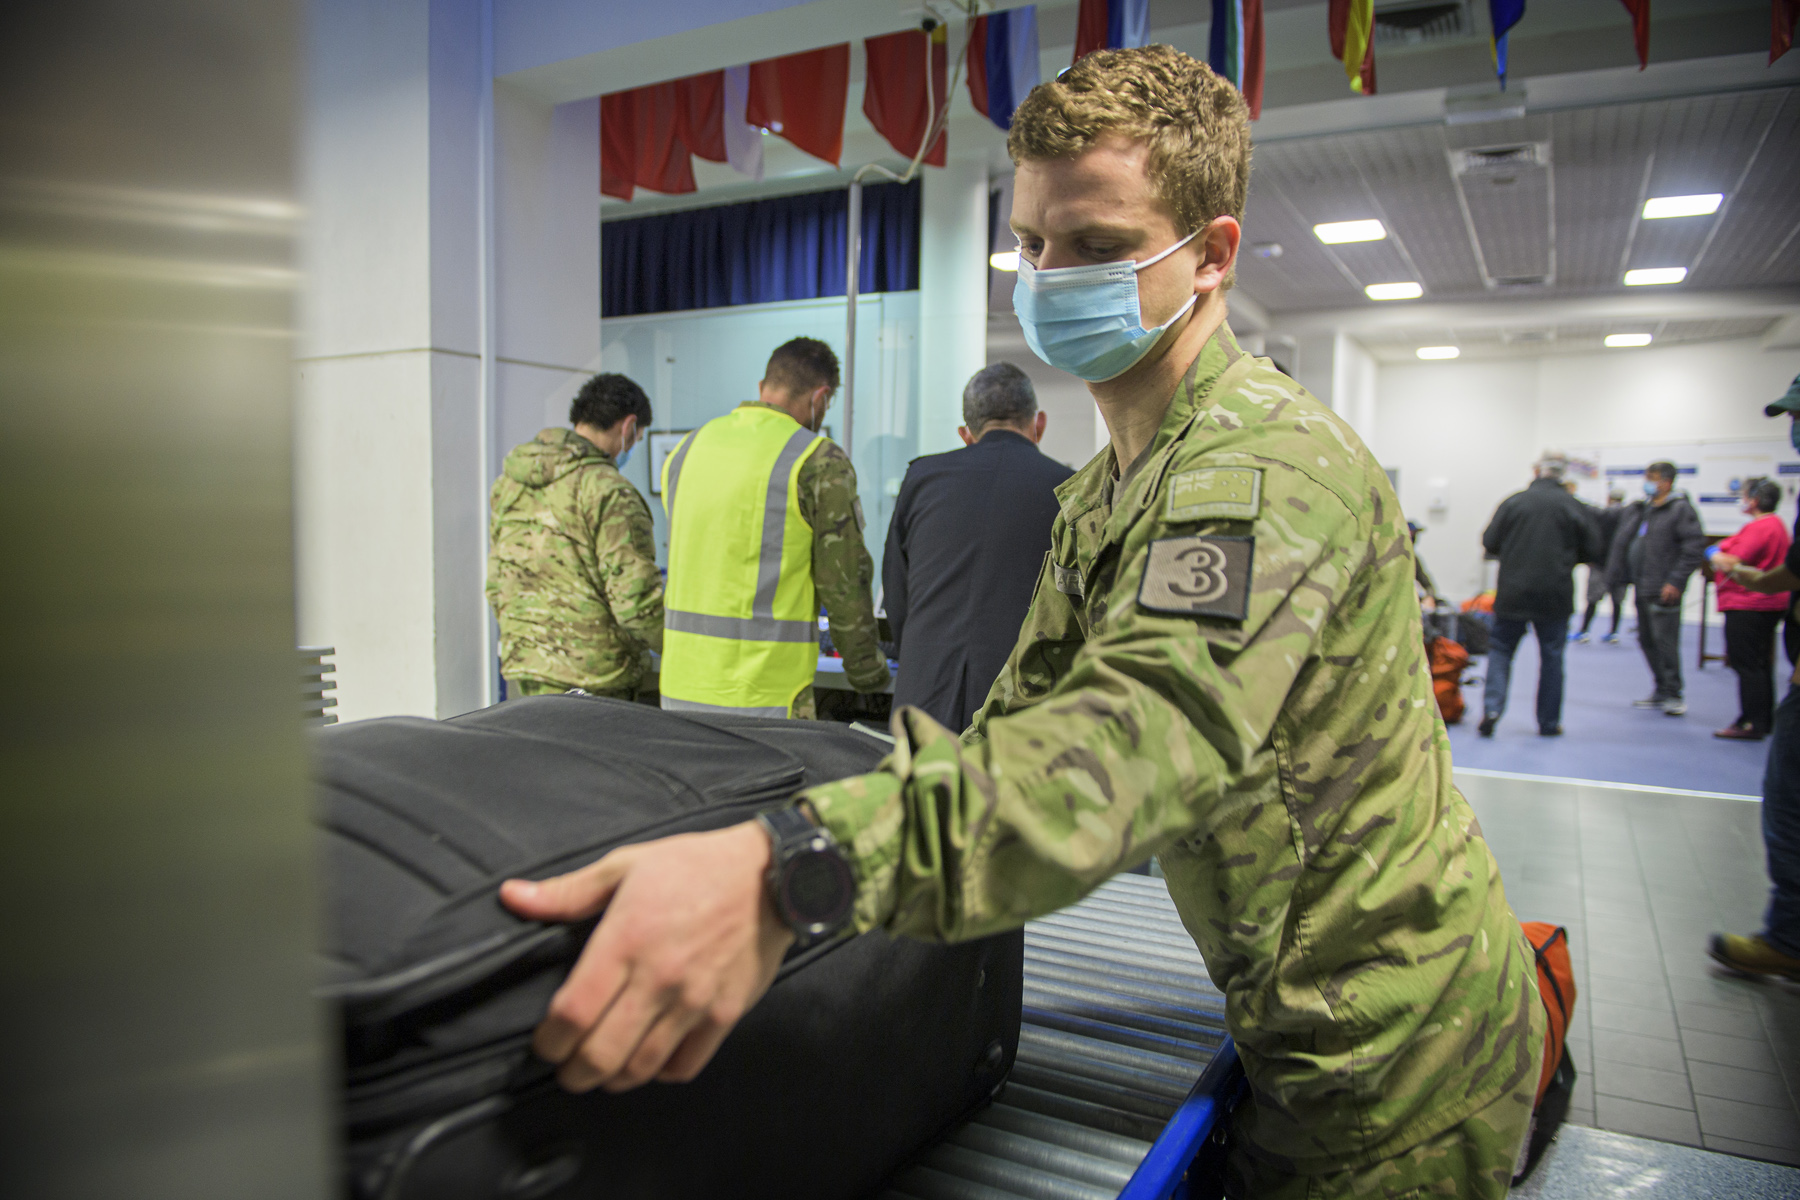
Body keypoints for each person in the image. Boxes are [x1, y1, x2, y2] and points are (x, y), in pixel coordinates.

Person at [500, 47, 1542, 1200]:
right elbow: (1013, 737)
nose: (1048, 277)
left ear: (1211, 255)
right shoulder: (1104, 489)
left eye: (1096, 246)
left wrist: (788, 873)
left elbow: (1132, 743)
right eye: (1033, 246)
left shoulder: (1260, 469)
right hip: (1283, 1008)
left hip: (1393, 1062)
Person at [657, 337, 889, 719]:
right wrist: (868, 673)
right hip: (765, 698)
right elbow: (844, 581)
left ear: (763, 387)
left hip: (681, 691)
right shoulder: (816, 458)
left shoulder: (687, 449)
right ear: (821, 397)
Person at [881, 363, 1073, 732]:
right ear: (1039, 424)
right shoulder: (1068, 489)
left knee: (919, 789)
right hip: (1020, 703)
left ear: (965, 433)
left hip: (923, 695)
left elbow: (897, 596)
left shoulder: (922, 478)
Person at [1705, 373, 1800, 980]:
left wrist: (1732, 567)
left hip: (1754, 610)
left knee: (1788, 805)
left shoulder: (1766, 527)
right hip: (1769, 626)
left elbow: (1772, 573)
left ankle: (1788, 940)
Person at [487, 374, 663, 700]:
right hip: (595, 677)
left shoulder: (509, 483)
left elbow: (498, 583)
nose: (632, 447)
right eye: (637, 439)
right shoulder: (609, 491)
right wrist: (679, 647)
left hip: (526, 665)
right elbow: (636, 603)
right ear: (627, 426)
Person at [1477, 453, 1604, 738]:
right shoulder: (1574, 506)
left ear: (1536, 471)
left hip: (1513, 591)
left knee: (1501, 650)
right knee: (1552, 656)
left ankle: (1492, 711)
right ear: (1563, 477)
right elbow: (1594, 549)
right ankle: (1548, 722)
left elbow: (1489, 541)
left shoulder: (1513, 502)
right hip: (1555, 593)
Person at [1608, 460, 1707, 716]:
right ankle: (1661, 689)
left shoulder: (1680, 509)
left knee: (1665, 643)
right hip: (1642, 584)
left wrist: (1676, 581)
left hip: (1664, 589)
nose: (1648, 482)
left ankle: (1674, 693)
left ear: (1667, 481)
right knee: (1647, 639)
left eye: (1652, 477)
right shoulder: (1645, 509)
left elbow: (1693, 548)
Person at [1709, 478, 1791, 740]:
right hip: (1764, 604)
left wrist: (1713, 555)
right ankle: (1763, 720)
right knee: (1758, 664)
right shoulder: (1773, 525)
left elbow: (1731, 561)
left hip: (1749, 604)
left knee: (1747, 665)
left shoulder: (1761, 527)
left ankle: (1751, 722)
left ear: (1753, 500)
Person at [1574, 488, 1630, 644]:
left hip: (1600, 565)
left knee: (1592, 600)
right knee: (1617, 601)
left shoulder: (1601, 515)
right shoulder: (1628, 518)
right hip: (1621, 566)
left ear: (1608, 498)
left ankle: (1583, 631)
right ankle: (1614, 632)